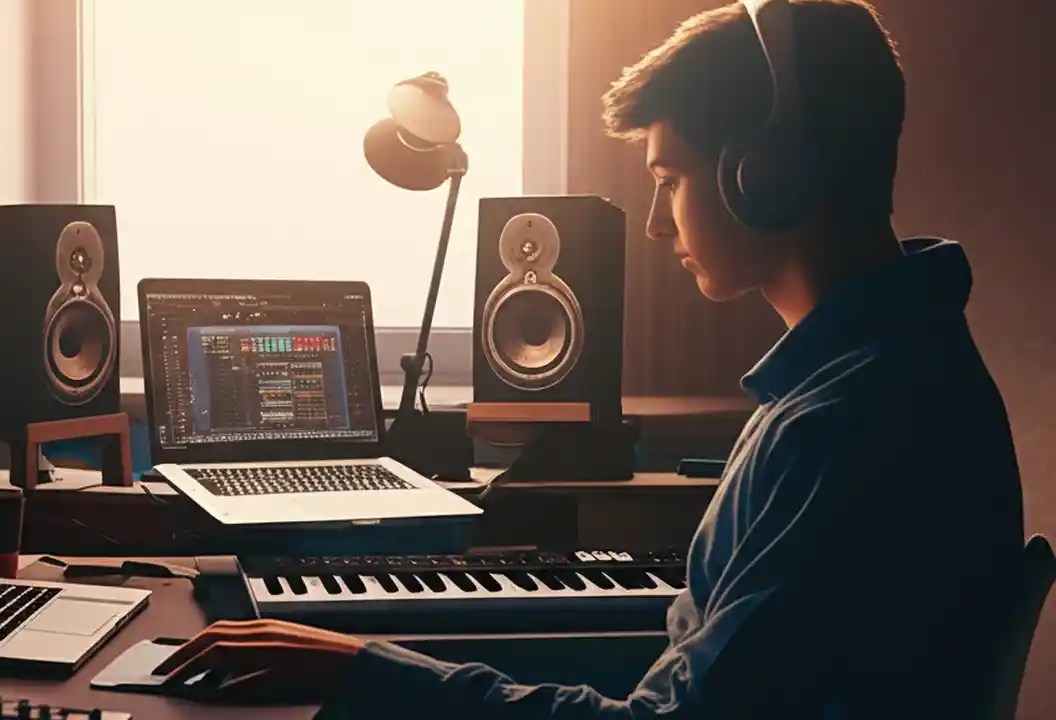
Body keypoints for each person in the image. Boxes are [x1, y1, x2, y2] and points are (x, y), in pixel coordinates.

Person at [155, 1, 1025, 717]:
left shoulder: (843, 428)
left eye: (669, 178)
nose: (653, 223)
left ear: (767, 172)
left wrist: (366, 670)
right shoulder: (892, 371)